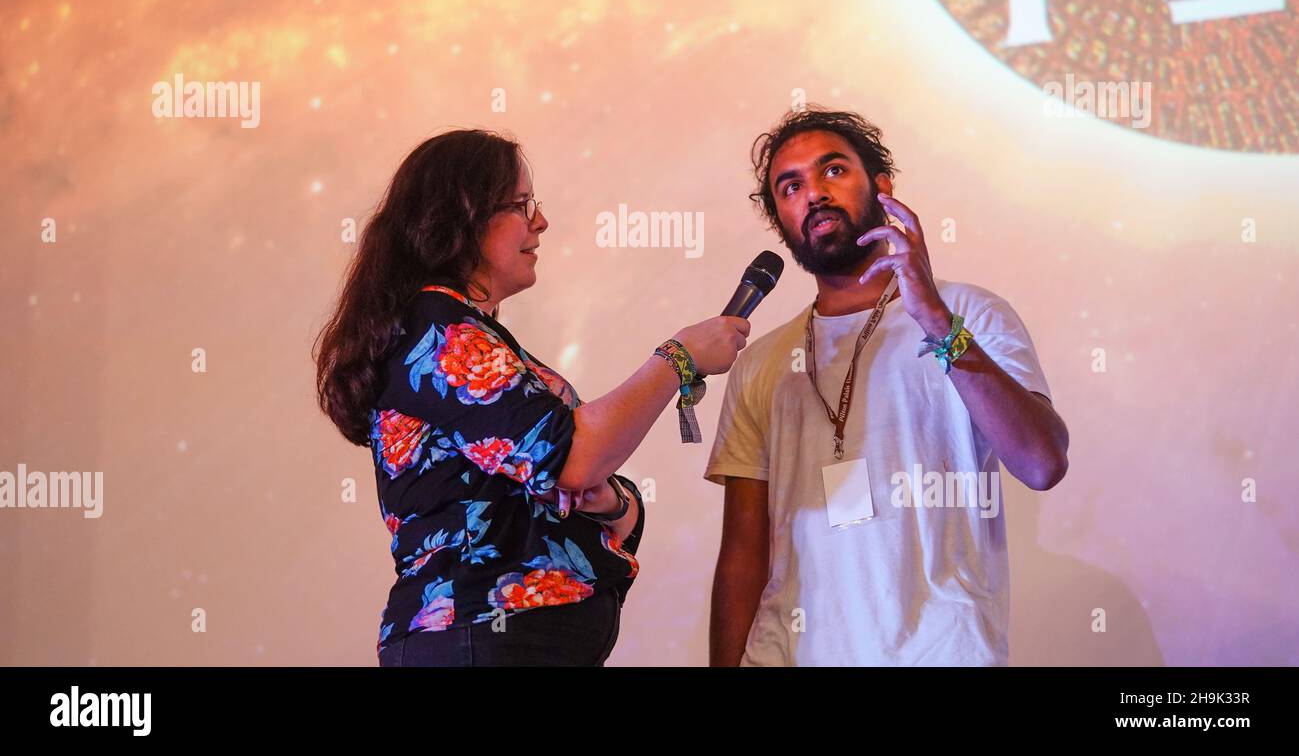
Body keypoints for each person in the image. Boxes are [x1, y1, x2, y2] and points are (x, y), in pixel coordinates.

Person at [315, 129, 749, 666]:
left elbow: (573, 475)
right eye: (521, 205)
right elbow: (572, 456)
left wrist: (613, 502)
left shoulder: (468, 334)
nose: (539, 222)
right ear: (463, 218)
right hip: (475, 637)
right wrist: (677, 358)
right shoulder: (439, 333)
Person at [706, 108, 1069, 666]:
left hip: (941, 651)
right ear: (779, 219)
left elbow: (1042, 463)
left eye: (833, 171)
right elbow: (743, 554)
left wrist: (936, 321)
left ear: (882, 187)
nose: (815, 195)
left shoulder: (971, 313)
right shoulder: (760, 364)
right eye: (792, 186)